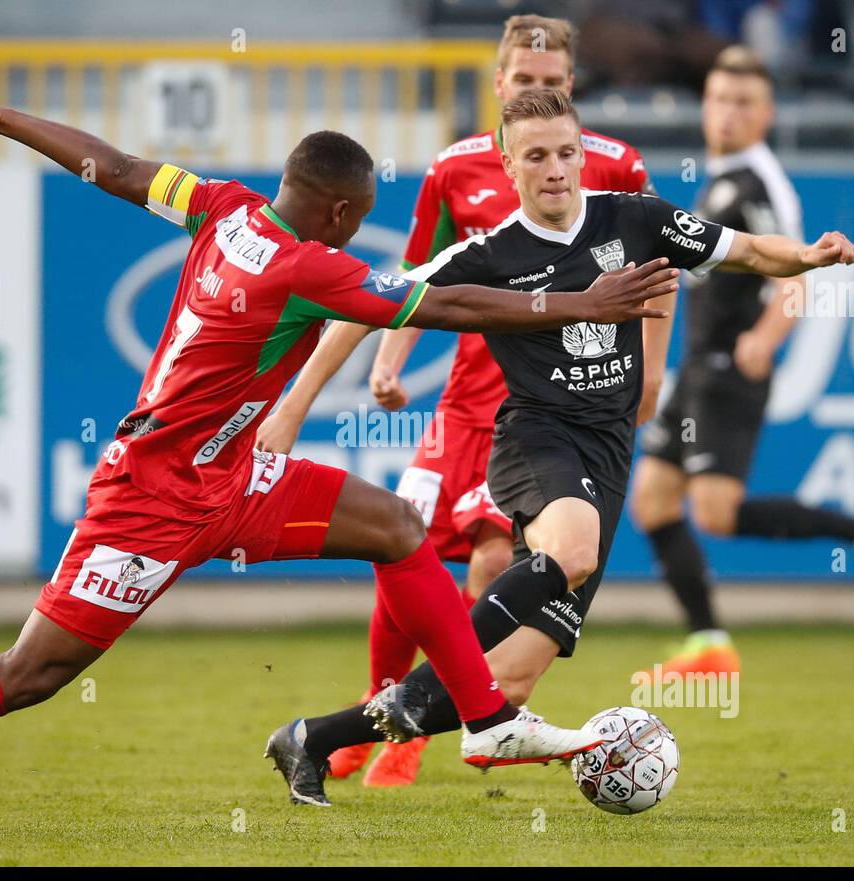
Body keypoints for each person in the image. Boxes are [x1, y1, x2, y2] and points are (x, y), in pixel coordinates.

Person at [0, 78, 681, 838]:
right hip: (153, 498)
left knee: (398, 529)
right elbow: (446, 308)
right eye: (358, 220)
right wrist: (578, 305)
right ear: (338, 211)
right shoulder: (307, 268)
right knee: (33, 675)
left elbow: (119, 169)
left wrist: (9, 120)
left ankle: (485, 717)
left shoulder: (224, 208)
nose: (356, 233)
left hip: (233, 473)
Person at [267, 87, 854, 808]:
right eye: (536, 156)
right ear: (510, 168)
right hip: (536, 439)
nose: (555, 169)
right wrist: (293, 407)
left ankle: (313, 739)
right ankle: (482, 718)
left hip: (608, 457)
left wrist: (807, 255)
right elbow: (361, 309)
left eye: (566, 152)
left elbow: (747, 251)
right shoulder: (486, 255)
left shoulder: (636, 219)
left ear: (583, 156)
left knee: (506, 682)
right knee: (570, 556)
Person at [255, 13, 673, 788]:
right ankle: (377, 717)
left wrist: (650, 371)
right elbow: (407, 280)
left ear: (571, 88)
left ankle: (403, 725)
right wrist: (384, 363)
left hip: (556, 415)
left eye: (552, 84)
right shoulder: (456, 170)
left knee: (492, 569)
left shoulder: (615, 168)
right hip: (464, 408)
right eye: (524, 82)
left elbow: (661, 265)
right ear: (499, 86)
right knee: (402, 544)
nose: (538, 92)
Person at [630, 47, 854, 680]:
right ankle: (709, 642)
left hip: (731, 370)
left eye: (743, 102)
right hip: (699, 368)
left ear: (766, 113)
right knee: (652, 499)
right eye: (719, 99)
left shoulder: (760, 180)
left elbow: (793, 266)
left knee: (715, 513)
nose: (728, 113)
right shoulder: (725, 174)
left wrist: (765, 337)